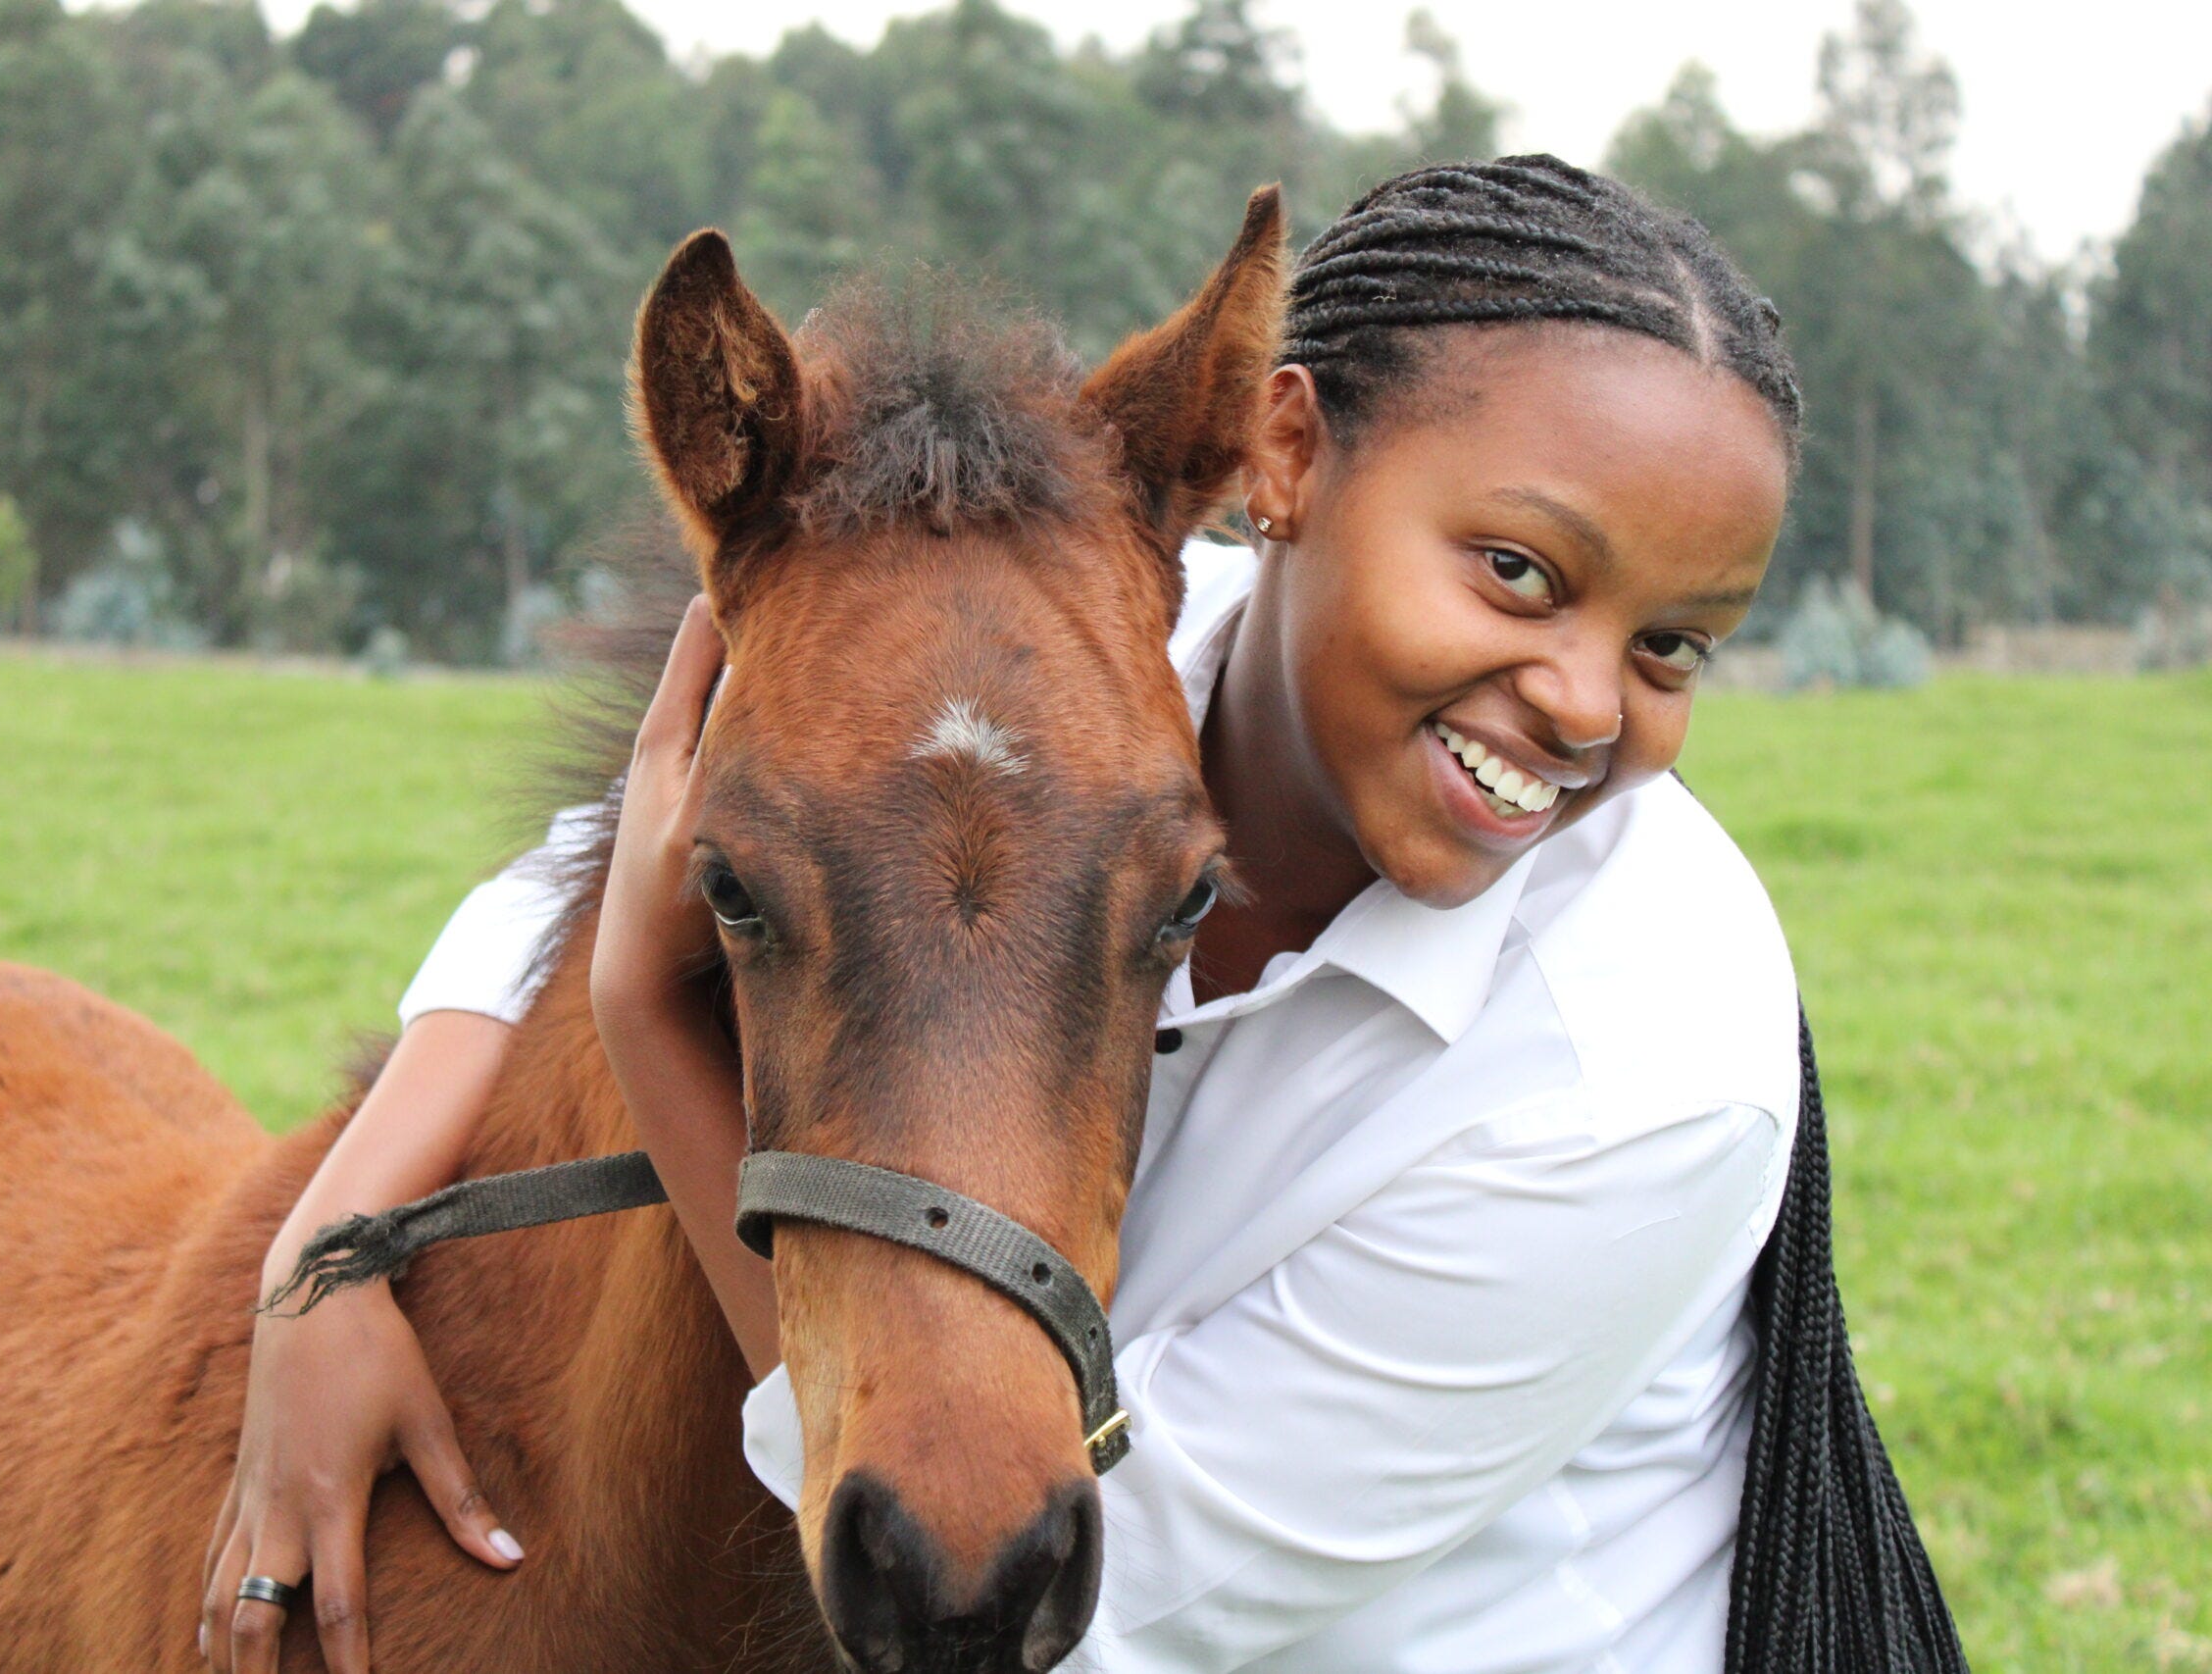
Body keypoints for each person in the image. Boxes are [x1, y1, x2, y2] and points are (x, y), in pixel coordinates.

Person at [205, 156, 1959, 1673]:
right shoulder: (1072, 608)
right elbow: (678, 844)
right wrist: (326, 1250)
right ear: (1278, 451)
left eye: (1672, 647)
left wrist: (652, 1022)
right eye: (1517, 569)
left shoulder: (1634, 1077)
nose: (1584, 703)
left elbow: (1048, 1628)